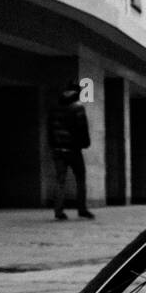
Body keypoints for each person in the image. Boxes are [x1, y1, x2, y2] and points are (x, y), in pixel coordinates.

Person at [47, 83, 94, 220]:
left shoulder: (54, 108)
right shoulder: (78, 107)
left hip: (57, 149)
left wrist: (53, 145)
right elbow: (82, 129)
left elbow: (50, 130)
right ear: (77, 93)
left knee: (60, 180)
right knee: (80, 178)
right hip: (73, 150)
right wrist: (85, 144)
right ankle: (82, 209)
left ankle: (58, 211)